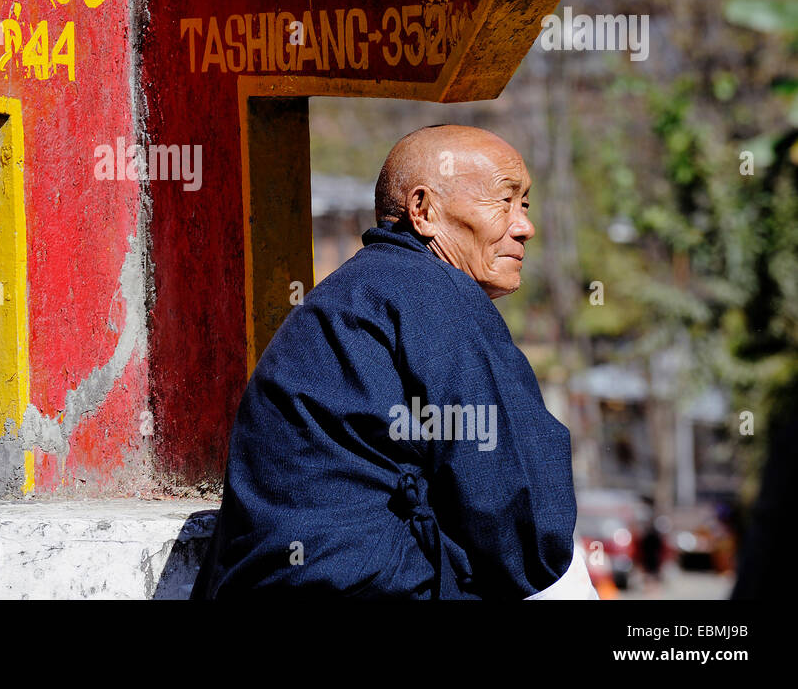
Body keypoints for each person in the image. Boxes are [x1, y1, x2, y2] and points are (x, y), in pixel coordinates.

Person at [193, 124, 596, 599]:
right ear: (423, 211)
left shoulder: (359, 289)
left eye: (524, 204)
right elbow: (522, 519)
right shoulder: (432, 294)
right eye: (503, 201)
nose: (524, 225)